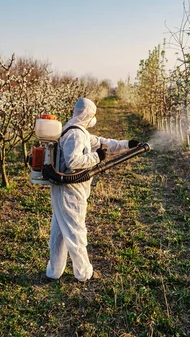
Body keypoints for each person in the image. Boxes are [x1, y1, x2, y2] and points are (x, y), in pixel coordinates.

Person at [46, 97, 140, 281]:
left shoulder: (72, 129)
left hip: (61, 189)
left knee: (59, 232)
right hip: (71, 191)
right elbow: (73, 162)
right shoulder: (76, 135)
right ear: (87, 115)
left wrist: (127, 144)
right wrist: (96, 157)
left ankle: (54, 271)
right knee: (76, 232)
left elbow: (104, 142)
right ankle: (84, 273)